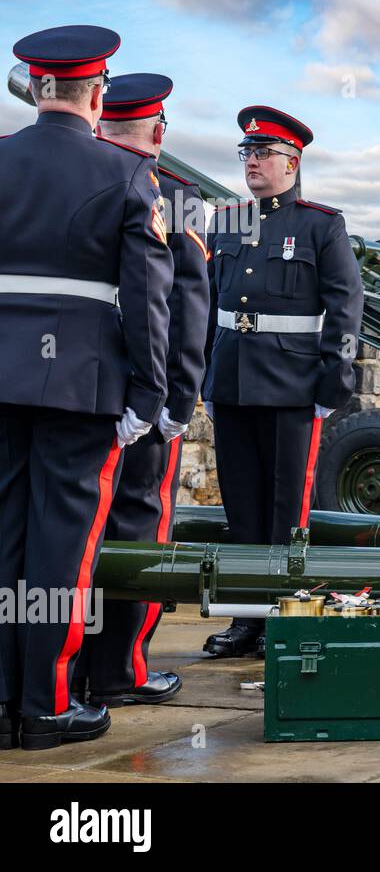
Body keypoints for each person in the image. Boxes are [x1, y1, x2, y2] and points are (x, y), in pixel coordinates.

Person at [0, 26, 173, 750]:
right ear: (98, 94)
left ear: (39, 89)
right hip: (81, 386)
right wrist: (148, 396)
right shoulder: (127, 176)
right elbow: (147, 300)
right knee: (61, 552)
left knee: (5, 538)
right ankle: (44, 705)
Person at [201, 106, 362, 658]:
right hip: (232, 381)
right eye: (246, 153)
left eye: (262, 153)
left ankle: (284, 616)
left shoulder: (321, 225)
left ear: (291, 163)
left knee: (285, 510)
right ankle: (247, 618)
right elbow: (205, 305)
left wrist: (332, 385)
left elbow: (345, 310)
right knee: (241, 507)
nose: (251, 162)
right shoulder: (225, 223)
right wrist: (203, 371)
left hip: (293, 386)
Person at [76, 74, 209, 707]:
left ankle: (62, 668)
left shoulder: (78, 176)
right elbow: (184, 305)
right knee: (139, 526)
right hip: (145, 398)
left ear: (101, 120)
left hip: (76, 387)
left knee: (73, 528)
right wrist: (178, 398)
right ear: (158, 132)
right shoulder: (174, 196)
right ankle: (119, 670)